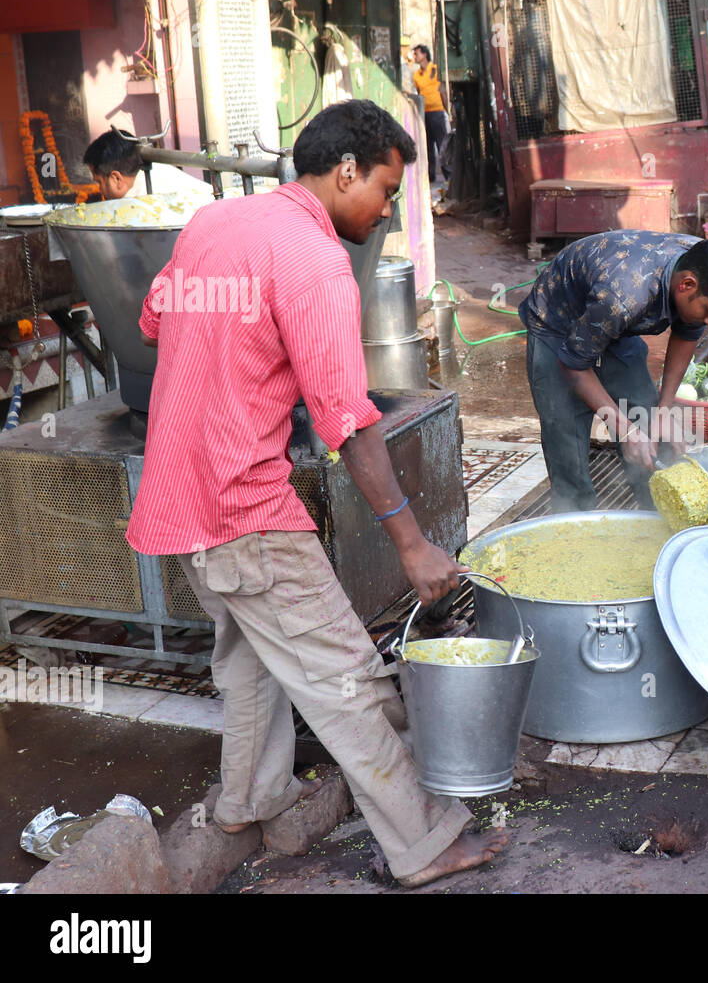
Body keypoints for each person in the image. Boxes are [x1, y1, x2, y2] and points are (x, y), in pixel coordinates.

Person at [125, 100, 507, 888]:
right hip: (244, 506)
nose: (388, 210)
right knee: (345, 678)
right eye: (386, 190)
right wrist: (412, 542)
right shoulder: (316, 260)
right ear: (345, 173)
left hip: (178, 500)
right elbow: (347, 423)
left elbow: (155, 319)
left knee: (249, 658)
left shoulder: (213, 223)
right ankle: (422, 842)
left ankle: (247, 800)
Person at [519, 232, 708, 512]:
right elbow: (572, 366)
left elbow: (686, 334)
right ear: (686, 285)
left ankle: (656, 514)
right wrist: (623, 428)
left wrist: (664, 410)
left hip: (613, 323)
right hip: (556, 324)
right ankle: (576, 520)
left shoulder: (703, 265)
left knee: (645, 415)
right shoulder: (623, 297)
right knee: (566, 436)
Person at [82, 129, 213, 201]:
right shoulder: (158, 169)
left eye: (99, 182)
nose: (100, 190)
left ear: (116, 178)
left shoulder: (135, 204)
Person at [409, 44, 451, 182]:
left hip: (437, 112)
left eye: (417, 54)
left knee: (442, 145)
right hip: (424, 114)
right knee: (427, 146)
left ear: (424, 55)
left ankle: (448, 175)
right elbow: (420, 94)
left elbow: (443, 90)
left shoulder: (435, 69)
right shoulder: (416, 75)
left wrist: (448, 110)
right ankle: (430, 176)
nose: (415, 56)